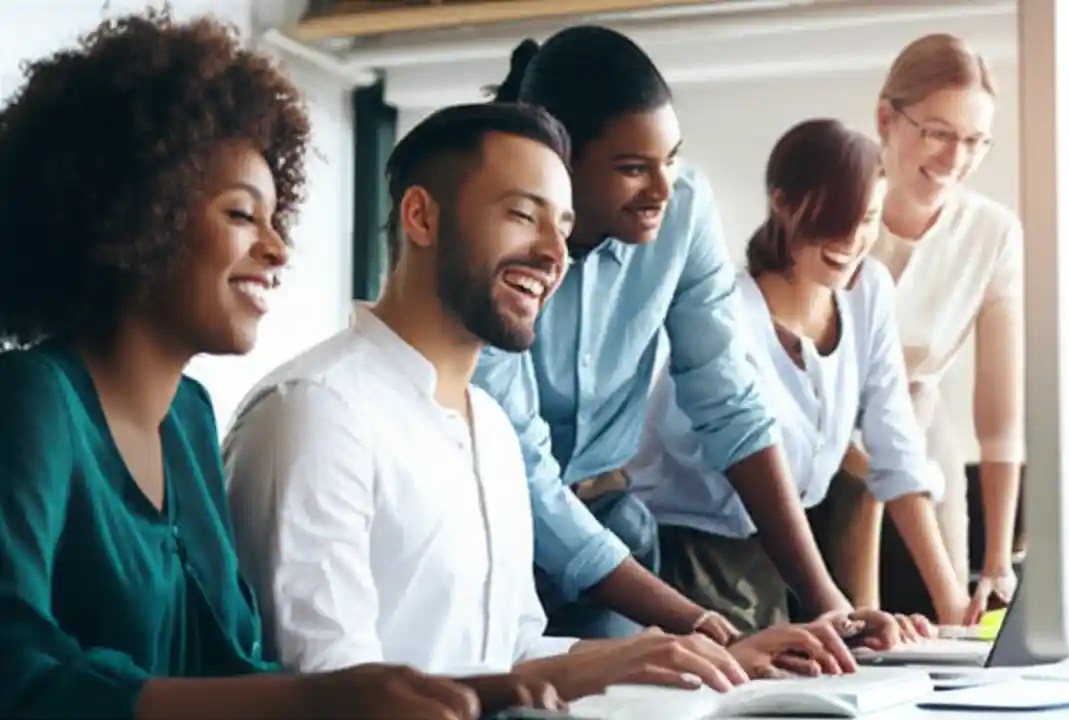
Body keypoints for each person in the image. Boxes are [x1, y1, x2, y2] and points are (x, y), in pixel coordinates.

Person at [0, 11, 555, 720]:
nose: (278, 250)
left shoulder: (188, 420)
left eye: (275, 218)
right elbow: (16, 671)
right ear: (137, 215)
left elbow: (231, 669)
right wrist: (314, 697)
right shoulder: (33, 400)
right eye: (241, 215)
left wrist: (473, 693)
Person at [222, 103, 862, 701]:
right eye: (522, 216)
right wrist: (595, 665)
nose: (554, 255)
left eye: (563, 227)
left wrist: (692, 655)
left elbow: (514, 647)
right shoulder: (316, 414)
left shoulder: (493, 430)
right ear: (421, 217)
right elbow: (335, 692)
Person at [472, 24, 859, 642]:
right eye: (632, 168)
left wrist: (824, 599)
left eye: (671, 158)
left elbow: (728, 399)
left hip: (613, 524)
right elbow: (523, 472)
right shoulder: (492, 234)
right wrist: (711, 631)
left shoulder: (683, 209)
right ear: (560, 162)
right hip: (486, 535)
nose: (660, 190)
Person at [627, 119, 970, 631]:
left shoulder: (867, 292)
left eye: (868, 219)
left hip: (783, 562)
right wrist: (831, 601)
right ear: (783, 202)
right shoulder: (726, 313)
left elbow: (896, 452)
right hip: (686, 558)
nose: (852, 240)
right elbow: (738, 453)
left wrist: (955, 614)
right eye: (835, 217)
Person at [855, 33, 1026, 621]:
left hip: (924, 431)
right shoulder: (840, 207)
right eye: (938, 133)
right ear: (886, 118)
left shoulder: (993, 234)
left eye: (975, 142)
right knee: (846, 626)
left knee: (950, 619)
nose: (955, 160)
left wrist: (999, 560)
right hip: (828, 438)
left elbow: (1000, 421)